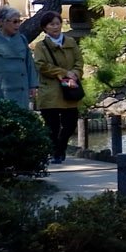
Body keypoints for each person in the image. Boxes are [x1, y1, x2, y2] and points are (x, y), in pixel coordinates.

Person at [31, 11, 83, 163]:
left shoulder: (71, 42)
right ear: (44, 28)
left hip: (70, 88)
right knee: (52, 126)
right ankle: (56, 153)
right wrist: (63, 73)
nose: (55, 27)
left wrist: (74, 73)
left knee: (70, 123)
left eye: (57, 23)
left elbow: (79, 61)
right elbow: (41, 65)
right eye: (51, 24)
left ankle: (60, 149)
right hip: (50, 90)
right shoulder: (41, 46)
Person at [0, 6, 38, 110]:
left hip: (20, 90)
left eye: (19, 21)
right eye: (14, 22)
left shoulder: (22, 39)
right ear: (1, 22)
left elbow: (29, 64)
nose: (17, 25)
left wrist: (33, 85)